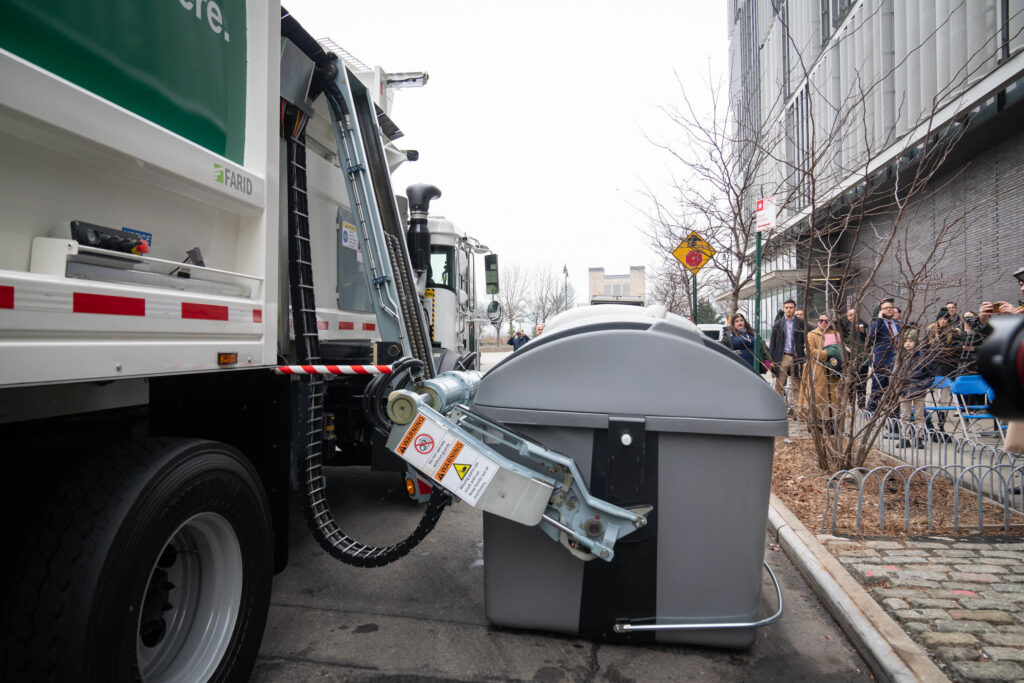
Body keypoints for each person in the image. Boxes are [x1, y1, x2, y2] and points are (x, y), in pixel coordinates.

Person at [800, 313, 841, 432]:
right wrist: (827, 354)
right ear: (818, 322)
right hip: (816, 370)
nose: (823, 323)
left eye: (826, 321)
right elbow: (809, 350)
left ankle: (831, 425)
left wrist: (835, 354)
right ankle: (814, 425)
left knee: (832, 397)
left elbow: (840, 350)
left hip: (833, 370)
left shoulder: (835, 334)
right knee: (816, 396)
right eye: (821, 320)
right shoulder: (812, 334)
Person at [896, 336, 933, 448]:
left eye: (911, 341)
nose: (908, 344)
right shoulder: (900, 357)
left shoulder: (923, 357)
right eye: (906, 341)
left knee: (919, 415)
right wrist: (898, 387)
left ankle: (919, 438)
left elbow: (930, 375)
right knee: (905, 415)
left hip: (919, 390)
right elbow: (895, 373)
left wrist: (922, 386)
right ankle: (905, 438)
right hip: (904, 390)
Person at [768, 299, 806, 403]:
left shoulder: (801, 323)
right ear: (783, 309)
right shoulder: (778, 324)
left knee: (796, 385)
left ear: (794, 309)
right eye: (787, 308)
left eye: (791, 307)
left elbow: (807, 340)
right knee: (779, 384)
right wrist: (771, 360)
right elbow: (772, 343)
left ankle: (797, 409)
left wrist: (805, 359)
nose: (789, 310)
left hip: (797, 357)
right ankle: (778, 407)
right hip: (782, 357)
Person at [867, 298, 900, 412]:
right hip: (882, 362)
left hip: (896, 362)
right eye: (885, 308)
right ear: (881, 311)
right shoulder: (877, 323)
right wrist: (880, 319)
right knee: (877, 389)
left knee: (894, 391)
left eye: (890, 307)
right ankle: (871, 412)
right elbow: (871, 336)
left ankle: (892, 414)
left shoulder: (898, 324)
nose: (889, 309)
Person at [838, 308, 870, 408]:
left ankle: (861, 405)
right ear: (847, 317)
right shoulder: (844, 327)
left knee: (862, 384)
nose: (852, 317)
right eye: (850, 315)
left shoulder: (864, 326)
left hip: (862, 360)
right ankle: (850, 404)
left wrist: (862, 332)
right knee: (850, 384)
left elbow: (870, 340)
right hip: (849, 360)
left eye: (854, 314)